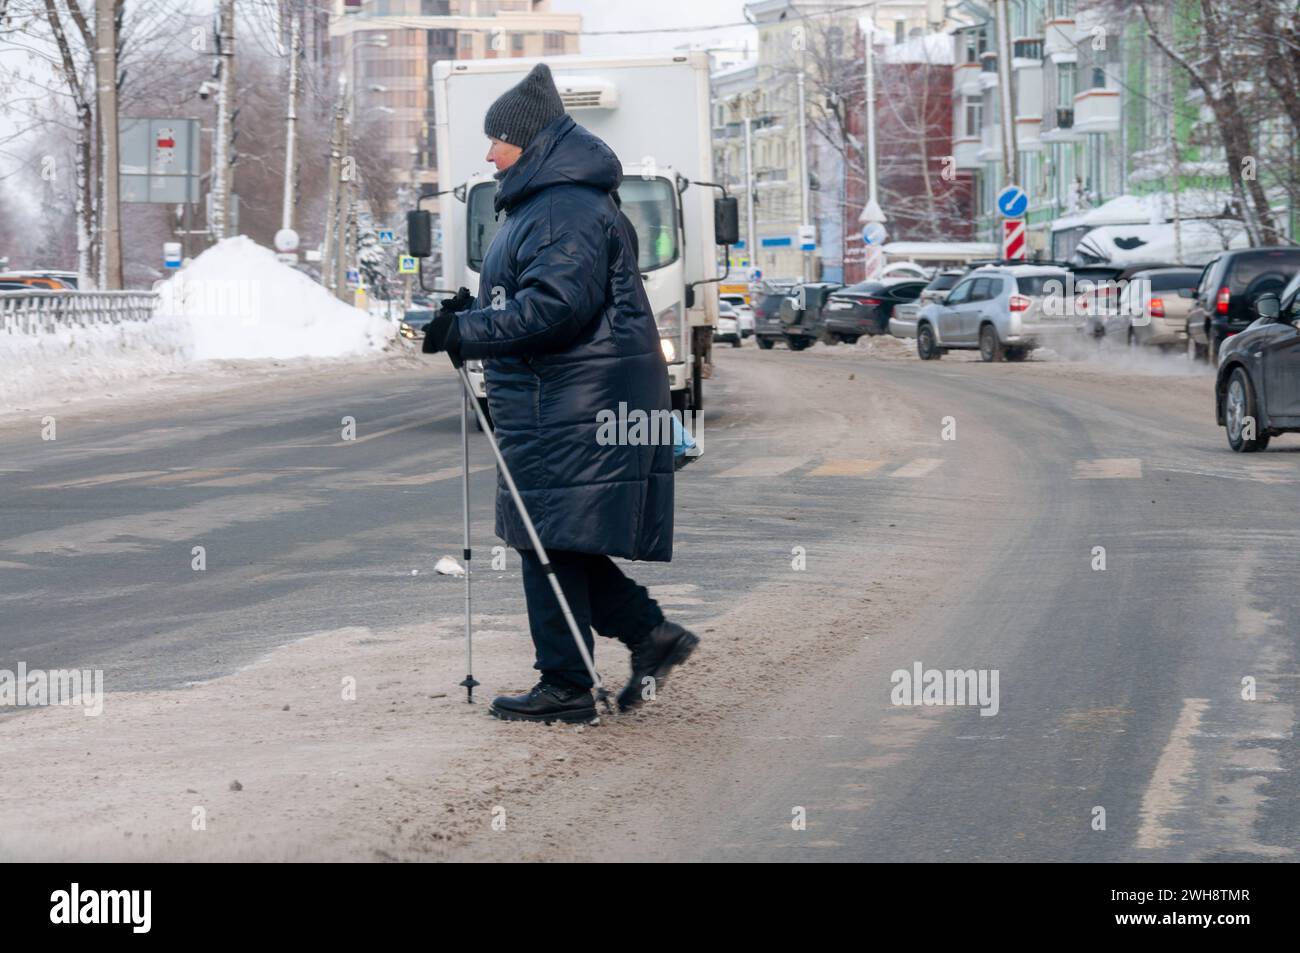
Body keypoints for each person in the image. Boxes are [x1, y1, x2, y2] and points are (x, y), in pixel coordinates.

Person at [422, 63, 698, 724]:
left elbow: (556, 310)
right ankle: (646, 636)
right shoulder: (552, 199)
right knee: (556, 536)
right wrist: (478, 303)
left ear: (531, 140)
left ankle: (569, 681)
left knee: (544, 534)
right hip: (567, 395)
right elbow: (539, 295)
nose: (489, 152)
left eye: (498, 140)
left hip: (573, 398)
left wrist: (465, 329)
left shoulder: (560, 205)